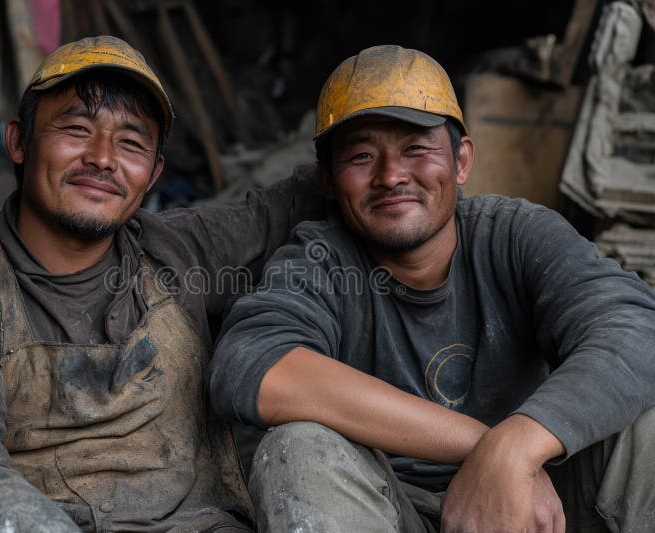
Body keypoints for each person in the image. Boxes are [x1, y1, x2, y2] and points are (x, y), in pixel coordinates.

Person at [0, 36, 324, 532]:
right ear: (18, 141)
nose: (103, 158)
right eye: (77, 128)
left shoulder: (180, 251)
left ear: (152, 174)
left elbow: (294, 204)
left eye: (131, 142)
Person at [210, 45, 655, 532]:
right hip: (394, 510)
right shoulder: (320, 260)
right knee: (295, 449)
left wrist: (522, 446)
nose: (391, 176)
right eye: (361, 155)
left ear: (461, 162)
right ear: (329, 181)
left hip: (539, 512)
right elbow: (251, 364)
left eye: (416, 149)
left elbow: (634, 330)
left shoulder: (516, 235)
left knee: (644, 423)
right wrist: (490, 448)